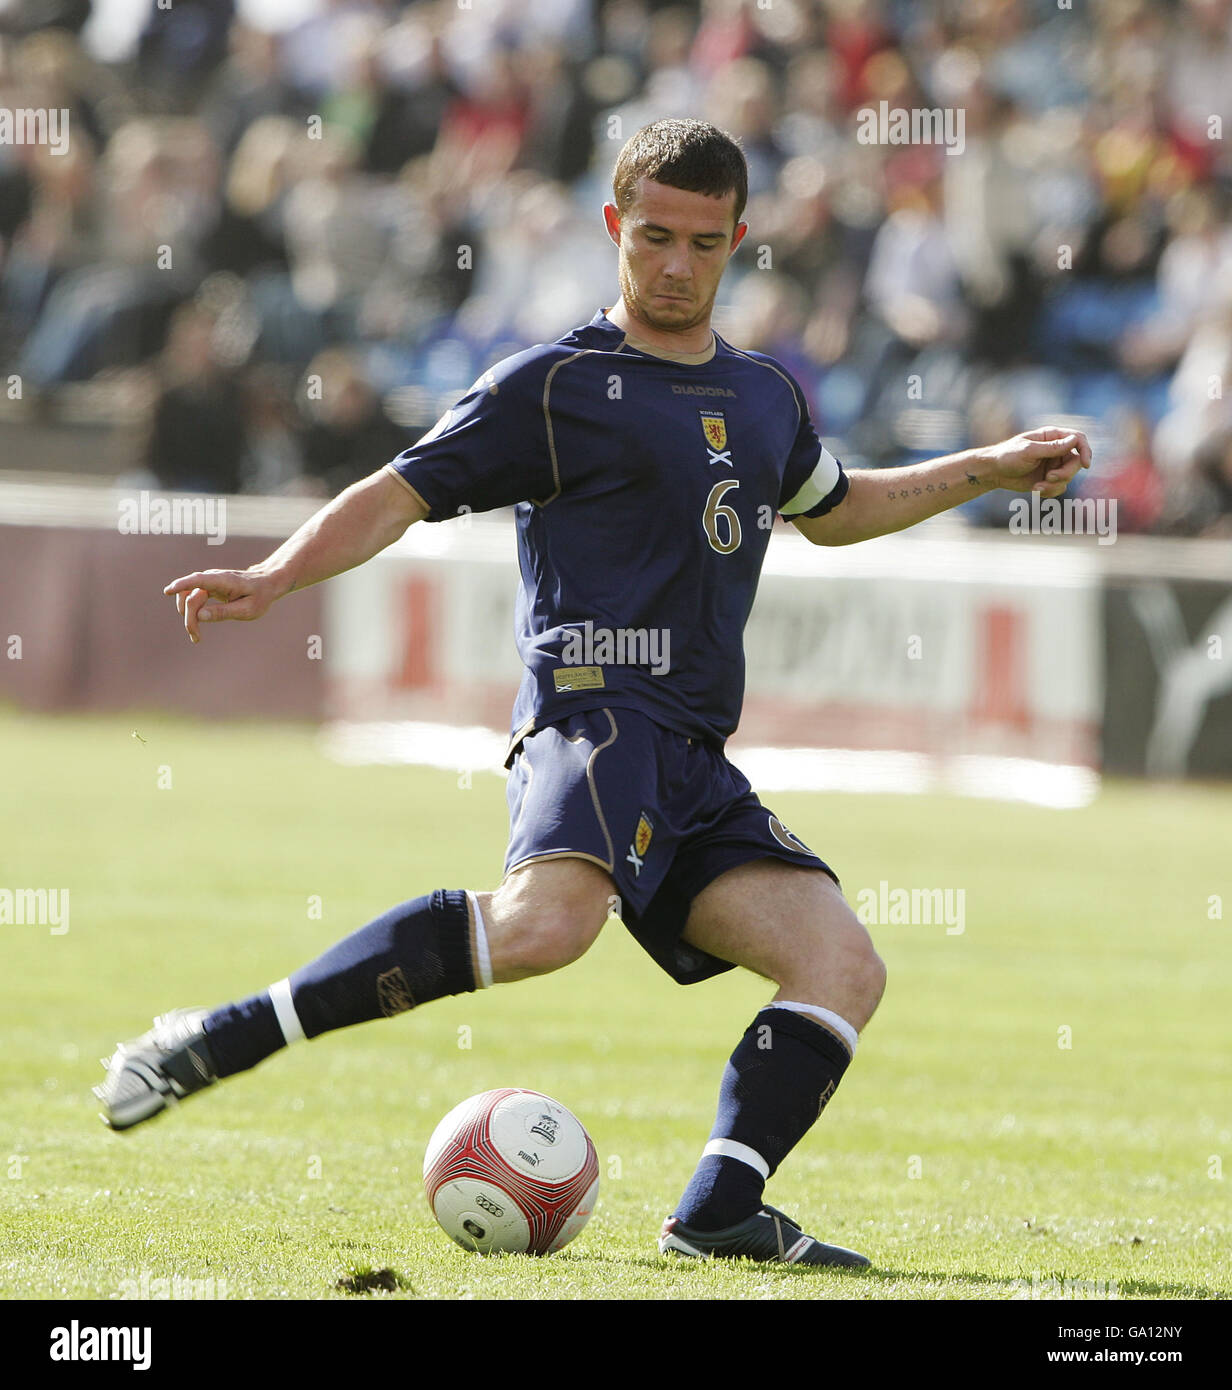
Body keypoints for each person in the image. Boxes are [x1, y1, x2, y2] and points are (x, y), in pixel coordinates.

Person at [96, 119, 1090, 1267]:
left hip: (694, 759)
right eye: (653, 236)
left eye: (701, 243)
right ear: (615, 228)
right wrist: (273, 576)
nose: (673, 264)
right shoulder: (553, 386)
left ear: (736, 244)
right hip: (593, 713)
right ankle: (216, 1038)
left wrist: (985, 468)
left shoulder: (763, 395)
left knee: (842, 964)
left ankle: (717, 1210)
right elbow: (396, 489)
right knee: (545, 926)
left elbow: (837, 509)